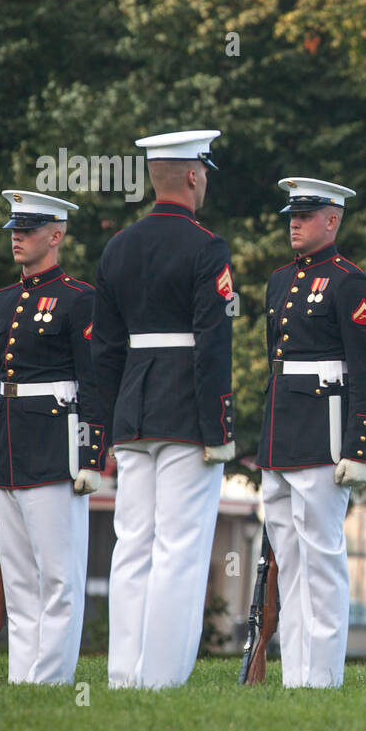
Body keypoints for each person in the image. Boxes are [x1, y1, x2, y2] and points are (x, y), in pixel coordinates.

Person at [93, 130, 236, 689]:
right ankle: (162, 679)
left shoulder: (117, 247)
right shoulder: (207, 246)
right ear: (194, 176)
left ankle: (123, 675)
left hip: (132, 408)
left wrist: (107, 422)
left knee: (132, 545)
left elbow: (103, 349)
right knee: (180, 546)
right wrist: (218, 425)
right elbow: (212, 344)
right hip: (185, 413)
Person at [255, 177, 366, 687]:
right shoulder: (279, 279)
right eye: (293, 213)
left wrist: (360, 446)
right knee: (288, 561)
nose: (295, 221)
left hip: (325, 434)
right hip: (281, 431)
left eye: (306, 214)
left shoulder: (350, 282)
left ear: (332, 220)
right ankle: (296, 677)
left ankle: (323, 677)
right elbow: (275, 363)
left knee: (322, 561)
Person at [0, 190, 105, 684]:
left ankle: (50, 678)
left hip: (56, 445)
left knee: (58, 576)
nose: (18, 237)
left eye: (28, 229)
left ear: (55, 236)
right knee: (18, 578)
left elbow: (94, 382)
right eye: (15, 228)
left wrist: (91, 455)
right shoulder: (2, 301)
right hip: (9, 446)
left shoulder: (80, 299)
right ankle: (23, 679)